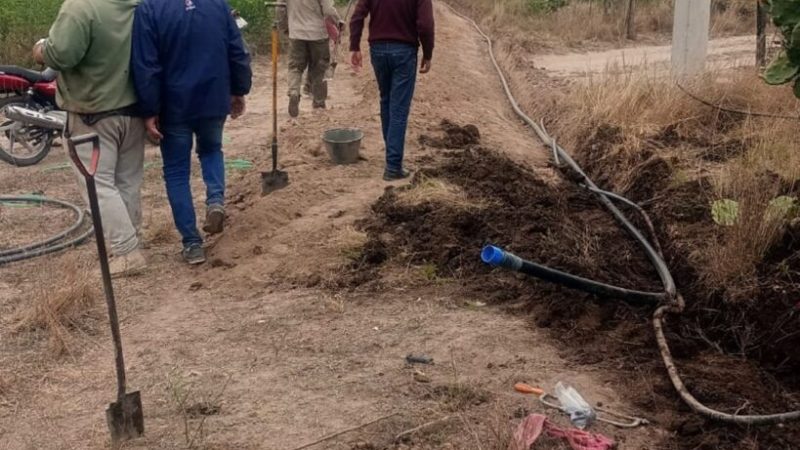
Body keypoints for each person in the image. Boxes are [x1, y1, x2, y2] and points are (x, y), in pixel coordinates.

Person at [131, 0, 252, 265]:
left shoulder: (149, 9)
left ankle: (192, 243)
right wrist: (238, 89)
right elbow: (237, 50)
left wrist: (149, 109)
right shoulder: (217, 5)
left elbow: (146, 65)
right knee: (211, 150)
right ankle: (215, 200)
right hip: (213, 98)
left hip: (174, 106)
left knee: (176, 172)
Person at [33, 0, 147, 277]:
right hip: (133, 111)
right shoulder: (138, 4)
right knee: (127, 181)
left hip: (92, 114)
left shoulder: (80, 6)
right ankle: (131, 238)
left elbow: (61, 55)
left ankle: (126, 251)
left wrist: (41, 49)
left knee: (98, 185)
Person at [350, 0, 435, 181]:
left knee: (386, 101)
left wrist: (354, 46)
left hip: (378, 50)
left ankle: (392, 157)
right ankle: (393, 166)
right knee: (398, 110)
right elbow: (426, 25)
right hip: (404, 52)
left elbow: (357, 16)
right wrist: (428, 54)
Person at [285, 0, 342, 117]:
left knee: (295, 67)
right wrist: (338, 22)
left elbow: (280, 8)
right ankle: (319, 104)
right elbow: (328, 10)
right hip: (318, 34)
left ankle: (294, 91)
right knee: (320, 69)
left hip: (296, 34)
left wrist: (285, 27)